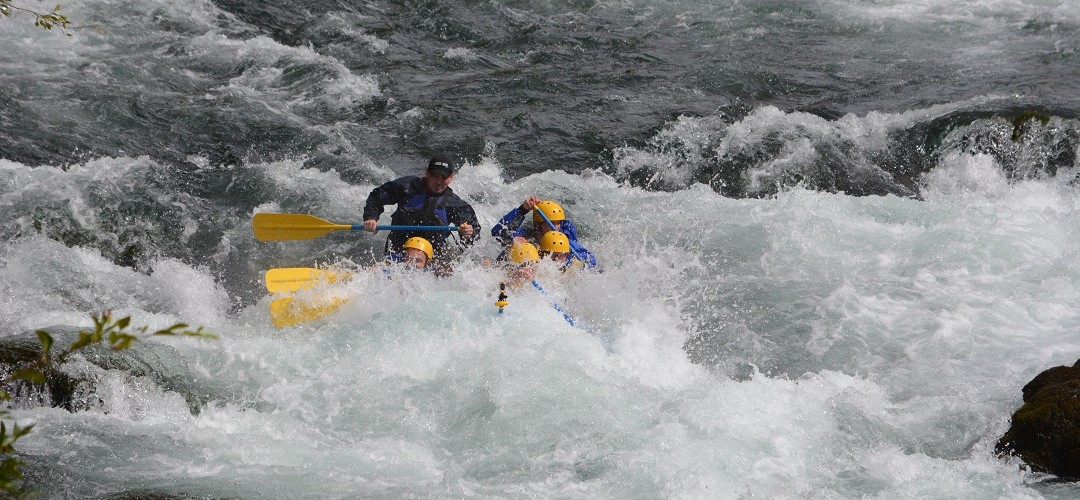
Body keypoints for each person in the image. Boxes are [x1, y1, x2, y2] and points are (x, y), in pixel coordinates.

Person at [362, 156, 480, 273]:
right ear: (427, 173)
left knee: (446, 271)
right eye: (435, 176)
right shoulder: (406, 187)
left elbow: (473, 233)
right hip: (400, 249)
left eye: (443, 177)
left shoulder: (455, 204)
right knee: (379, 271)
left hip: (434, 255)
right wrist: (371, 218)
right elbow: (376, 197)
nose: (438, 181)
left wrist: (468, 234)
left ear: (451, 178)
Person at [491, 196, 599, 269]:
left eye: (558, 223)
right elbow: (498, 233)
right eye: (551, 223)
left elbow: (591, 262)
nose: (556, 227)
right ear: (538, 225)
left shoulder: (564, 241)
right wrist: (522, 209)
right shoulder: (526, 237)